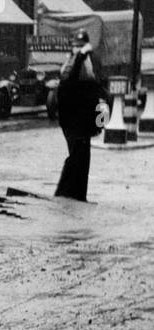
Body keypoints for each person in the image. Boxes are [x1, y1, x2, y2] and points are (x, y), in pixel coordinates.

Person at [55, 30, 105, 202]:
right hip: (72, 120)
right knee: (77, 155)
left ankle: (75, 194)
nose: (77, 49)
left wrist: (99, 123)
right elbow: (67, 82)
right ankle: (66, 193)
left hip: (83, 119)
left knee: (81, 157)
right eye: (75, 46)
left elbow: (98, 87)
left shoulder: (89, 61)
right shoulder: (72, 62)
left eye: (80, 46)